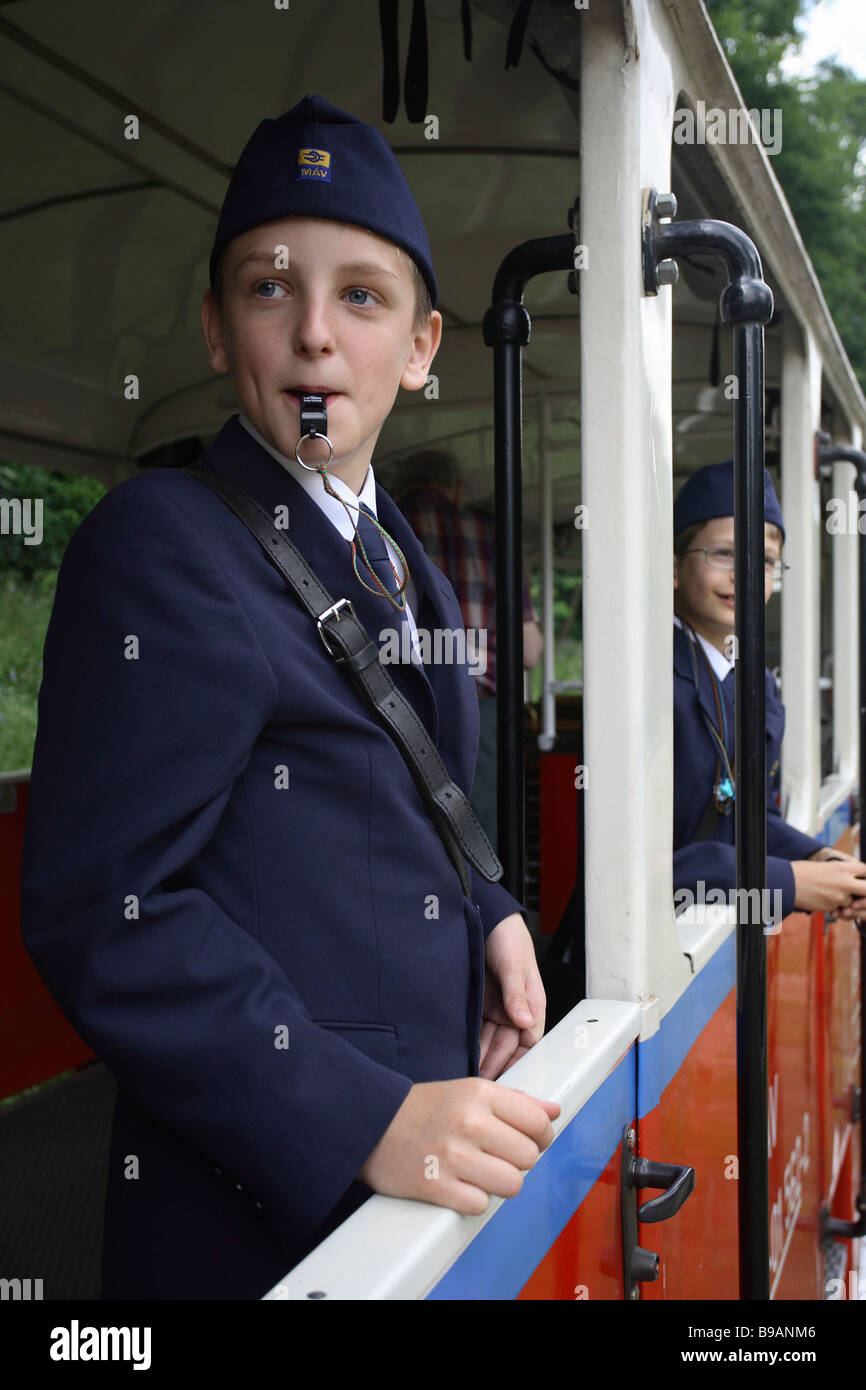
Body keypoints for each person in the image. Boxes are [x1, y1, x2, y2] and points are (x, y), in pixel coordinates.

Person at [19, 95, 560, 1301]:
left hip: (411, 1180)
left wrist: (490, 909)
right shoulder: (161, 543)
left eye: (361, 297)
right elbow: (103, 907)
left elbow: (401, 786)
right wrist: (360, 1117)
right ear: (219, 330)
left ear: (420, 349)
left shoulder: (397, 553)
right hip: (258, 1212)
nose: (316, 334)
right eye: (271, 289)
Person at [672, 459, 866, 923]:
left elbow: (750, 815)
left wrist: (819, 859)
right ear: (673, 566)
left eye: (765, 560)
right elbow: (632, 866)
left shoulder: (759, 687)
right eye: (723, 553)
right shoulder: (638, 679)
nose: (745, 572)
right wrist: (791, 881)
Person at [394, 449, 543, 850]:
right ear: (456, 489)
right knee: (477, 832)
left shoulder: (379, 525)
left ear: (405, 486)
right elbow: (529, 652)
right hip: (479, 708)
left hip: (396, 702)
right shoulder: (495, 536)